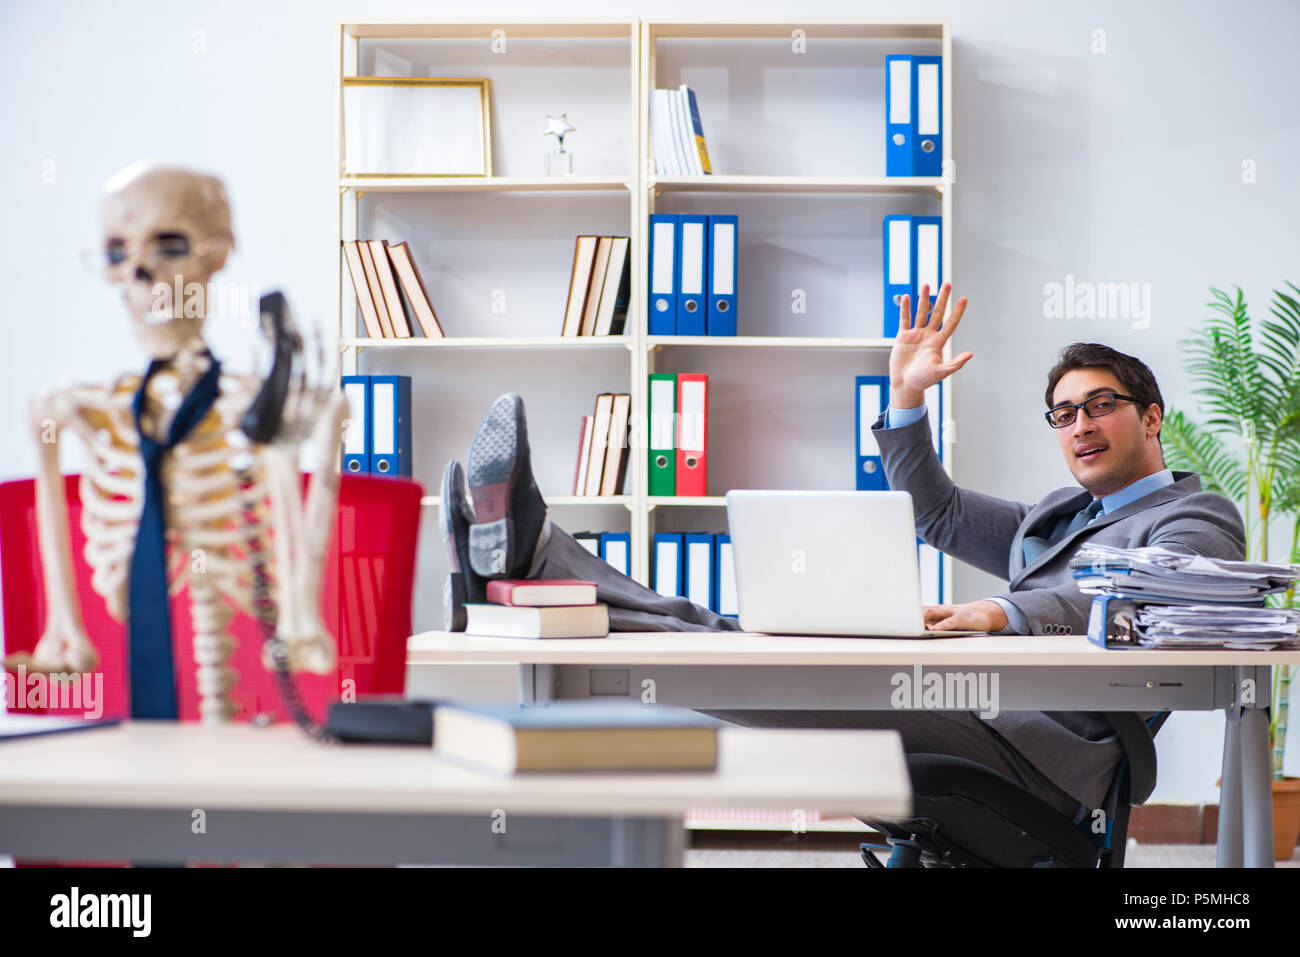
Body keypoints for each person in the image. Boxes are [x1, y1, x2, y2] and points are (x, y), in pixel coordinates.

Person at [437, 283, 1245, 821]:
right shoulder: (1061, 514)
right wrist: (905, 398)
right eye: (1063, 415)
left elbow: (1155, 599)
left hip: (1040, 748)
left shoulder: (1195, 515)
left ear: (1152, 417)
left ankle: (528, 564)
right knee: (726, 631)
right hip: (979, 706)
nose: (1079, 426)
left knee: (738, 654)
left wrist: (1005, 608)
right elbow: (941, 512)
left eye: (1100, 406)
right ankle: (522, 570)